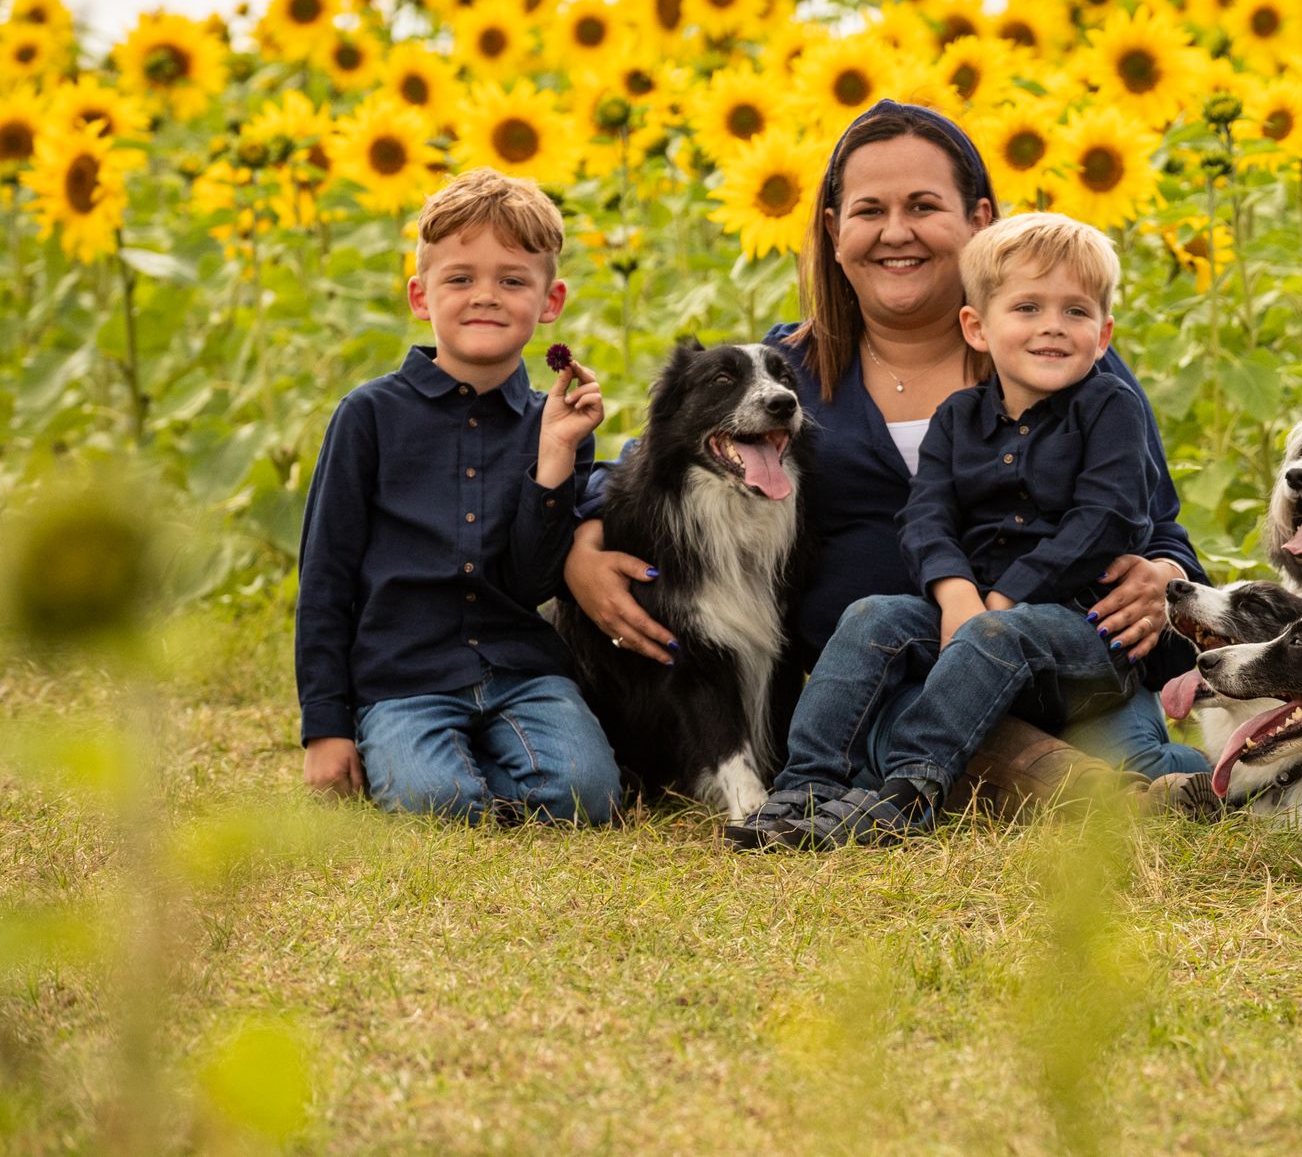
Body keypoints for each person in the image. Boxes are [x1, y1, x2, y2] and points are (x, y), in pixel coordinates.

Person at [561, 100, 1206, 792]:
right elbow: (656, 457)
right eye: (870, 211)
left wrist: (1162, 575)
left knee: (1138, 763)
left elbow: (1160, 521)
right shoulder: (787, 371)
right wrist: (582, 546)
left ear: (979, 220)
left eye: (925, 206)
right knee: (983, 750)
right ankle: (1081, 789)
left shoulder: (1064, 359)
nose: (896, 232)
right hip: (888, 678)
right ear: (835, 232)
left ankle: (1127, 784)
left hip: (1069, 663)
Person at [729, 211, 1160, 848]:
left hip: (1081, 636)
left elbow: (1107, 518)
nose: (1052, 326)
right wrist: (954, 589)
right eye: (1028, 308)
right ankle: (806, 787)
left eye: (1076, 312)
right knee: (872, 616)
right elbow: (926, 514)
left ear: (1104, 336)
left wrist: (1005, 599)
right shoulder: (958, 416)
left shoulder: (1109, 407)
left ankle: (909, 794)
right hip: (973, 625)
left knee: (994, 636)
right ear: (977, 327)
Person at [295, 167, 620, 824]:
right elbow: (325, 578)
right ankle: (438, 771)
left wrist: (555, 455)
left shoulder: (556, 423)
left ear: (550, 300)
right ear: (420, 295)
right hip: (403, 674)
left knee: (587, 793)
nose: (486, 296)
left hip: (523, 671)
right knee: (432, 799)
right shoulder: (368, 416)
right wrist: (325, 728)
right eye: (461, 278)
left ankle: (476, 777)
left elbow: (533, 578)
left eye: (512, 279)